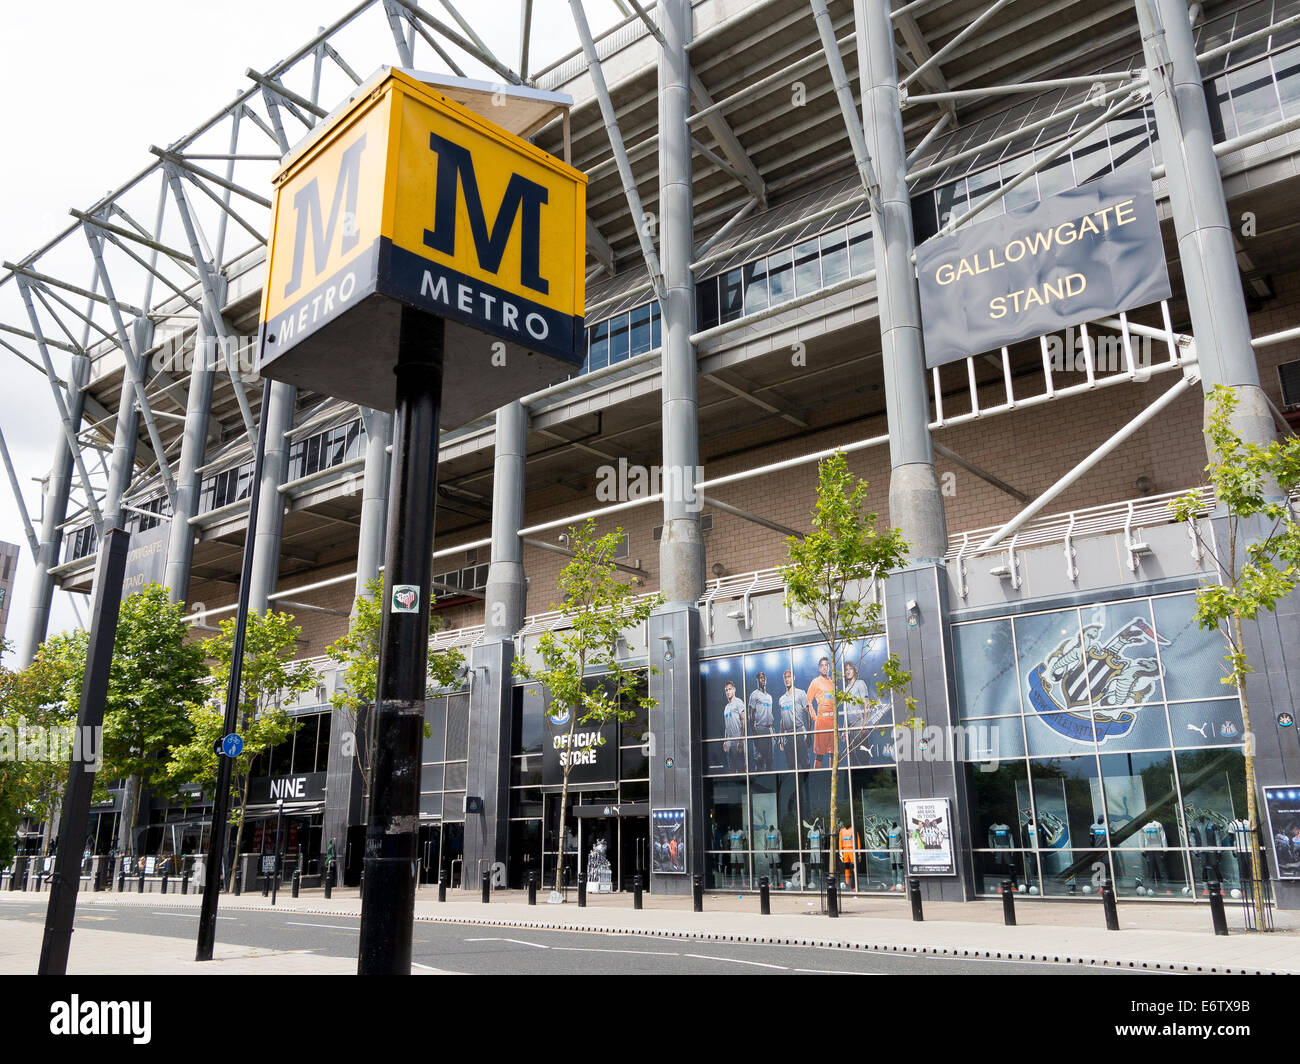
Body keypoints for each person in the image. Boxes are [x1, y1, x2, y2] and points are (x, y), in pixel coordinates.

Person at [807, 657, 836, 768]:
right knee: (819, 755)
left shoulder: (832, 682)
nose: (824, 667)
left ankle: (833, 779)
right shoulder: (815, 682)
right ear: (819, 668)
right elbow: (808, 700)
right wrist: (815, 717)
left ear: (829, 667)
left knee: (833, 753)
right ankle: (816, 778)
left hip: (832, 721)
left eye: (826, 665)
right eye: (822, 665)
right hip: (822, 722)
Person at [779, 669, 811, 769]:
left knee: (804, 763)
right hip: (787, 736)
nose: (787, 679)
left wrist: (809, 734)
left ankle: (807, 784)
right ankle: (796, 784)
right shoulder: (782, 699)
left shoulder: (800, 693)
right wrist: (780, 738)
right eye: (785, 677)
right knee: (791, 765)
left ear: (793, 678)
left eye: (789, 677)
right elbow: (782, 720)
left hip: (799, 733)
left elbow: (807, 713)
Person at [747, 672, 774, 772]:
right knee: (759, 761)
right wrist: (754, 734)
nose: (762, 679)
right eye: (760, 678)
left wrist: (773, 732)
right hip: (759, 729)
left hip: (769, 730)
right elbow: (750, 714)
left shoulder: (769, 697)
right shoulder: (754, 694)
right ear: (757, 680)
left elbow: (771, 715)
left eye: (764, 677)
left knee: (770, 761)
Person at [722, 681, 746, 773]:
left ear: (734, 690)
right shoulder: (726, 707)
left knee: (741, 767)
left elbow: (743, 720)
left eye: (730, 689)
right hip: (729, 741)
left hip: (737, 738)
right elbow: (726, 725)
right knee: (731, 767)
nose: (728, 692)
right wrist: (725, 740)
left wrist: (741, 740)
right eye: (726, 690)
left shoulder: (738, 702)